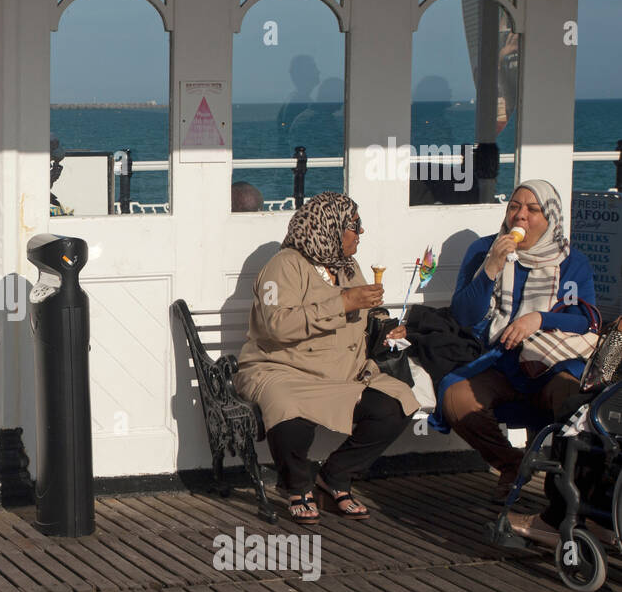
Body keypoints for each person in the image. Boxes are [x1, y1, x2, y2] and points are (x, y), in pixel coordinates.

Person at [232, 193, 418, 523]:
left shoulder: (348, 266)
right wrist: (342, 303)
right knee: (288, 408)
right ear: (329, 227)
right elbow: (276, 324)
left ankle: (333, 477)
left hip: (344, 372)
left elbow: (362, 314)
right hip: (284, 368)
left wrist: (385, 326)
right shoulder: (284, 265)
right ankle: (297, 486)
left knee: (396, 404)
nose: (361, 233)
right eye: (355, 226)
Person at [438, 180, 598, 500]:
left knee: (573, 400)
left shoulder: (571, 261)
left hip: (550, 363)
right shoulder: (485, 250)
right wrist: (491, 268)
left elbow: (586, 320)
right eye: (514, 207)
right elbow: (464, 314)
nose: (520, 216)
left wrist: (540, 319)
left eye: (532, 209)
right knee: (456, 398)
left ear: (550, 217)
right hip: (501, 360)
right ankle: (512, 464)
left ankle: (568, 491)